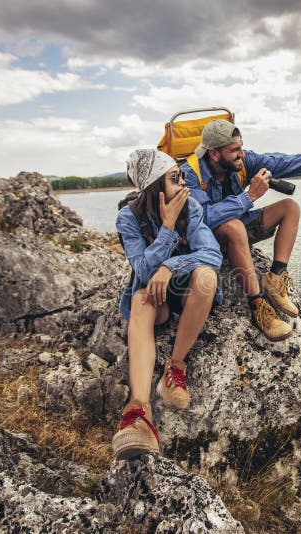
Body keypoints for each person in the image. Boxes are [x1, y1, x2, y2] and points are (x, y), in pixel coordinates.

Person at [181, 119, 301, 341]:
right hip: (207, 240)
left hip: (238, 232)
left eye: (241, 148)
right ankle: (258, 305)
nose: (242, 155)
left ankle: (275, 278)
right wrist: (250, 196)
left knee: (289, 208)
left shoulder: (244, 162)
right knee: (234, 226)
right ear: (214, 154)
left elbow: (285, 162)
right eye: (234, 150)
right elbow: (202, 218)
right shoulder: (189, 175)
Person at [112, 148, 223, 459]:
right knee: (139, 299)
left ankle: (174, 369)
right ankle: (139, 413)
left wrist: (169, 266)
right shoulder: (128, 217)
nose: (184, 183)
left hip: (188, 292)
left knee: (206, 278)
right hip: (156, 299)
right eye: (175, 178)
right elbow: (142, 271)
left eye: (182, 175)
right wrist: (168, 229)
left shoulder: (193, 207)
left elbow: (212, 256)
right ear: (155, 186)